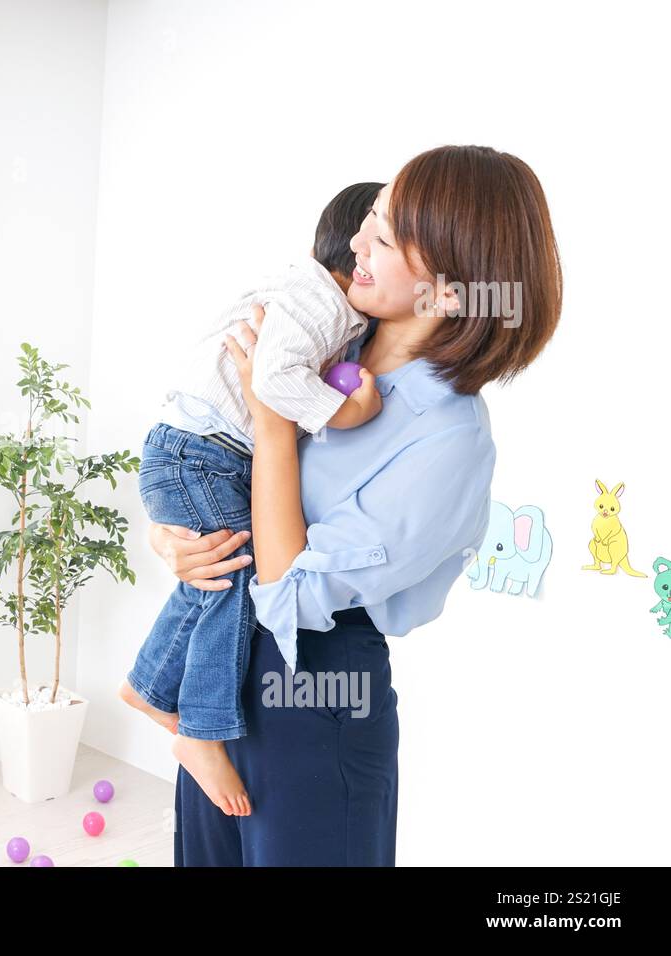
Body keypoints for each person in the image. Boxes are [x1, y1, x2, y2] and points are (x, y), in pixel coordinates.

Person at [150, 144, 563, 865]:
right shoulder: (320, 338)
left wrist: (274, 417)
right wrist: (173, 540)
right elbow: (204, 447)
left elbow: (290, 594)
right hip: (215, 680)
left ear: (454, 288)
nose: (356, 243)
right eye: (369, 219)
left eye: (387, 233)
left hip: (313, 696)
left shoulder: (447, 439)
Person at [121, 183, 385, 818]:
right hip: (202, 451)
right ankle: (199, 731)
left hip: (188, 449)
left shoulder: (307, 293)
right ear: (356, 257)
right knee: (237, 574)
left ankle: (152, 689)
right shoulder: (323, 305)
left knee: (217, 571)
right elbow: (268, 380)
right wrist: (346, 412)